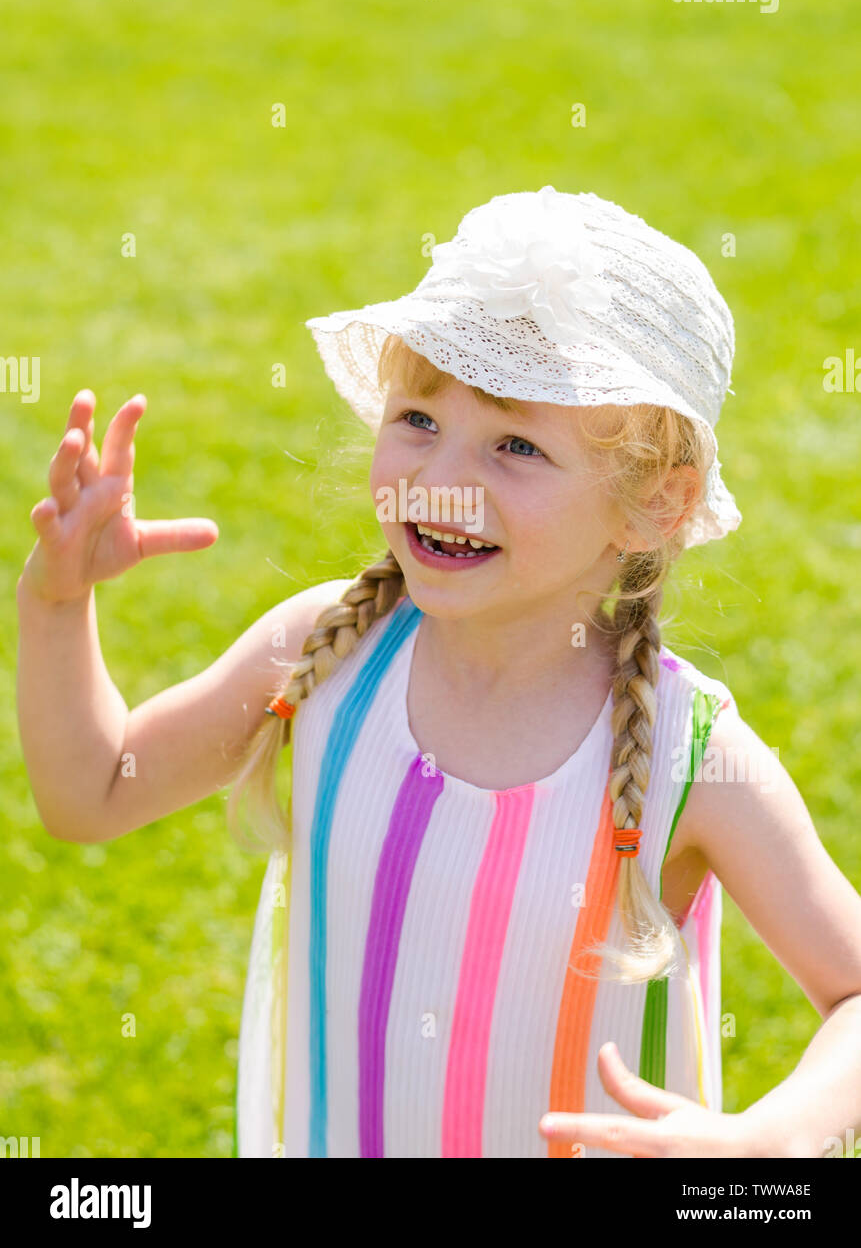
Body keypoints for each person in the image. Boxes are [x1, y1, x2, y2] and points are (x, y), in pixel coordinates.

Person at [17, 186, 861, 1160]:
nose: (442, 477)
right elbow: (92, 791)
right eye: (417, 418)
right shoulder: (326, 655)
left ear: (650, 505)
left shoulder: (688, 754)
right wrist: (55, 602)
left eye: (515, 444)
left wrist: (777, 1135)